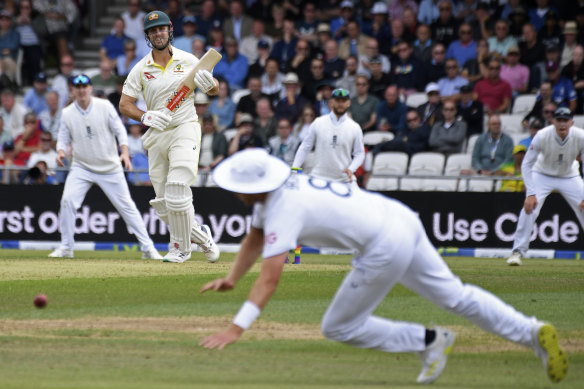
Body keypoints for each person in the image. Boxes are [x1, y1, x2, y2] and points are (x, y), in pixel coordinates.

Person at [199, 147, 568, 386]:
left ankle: (430, 341)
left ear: (252, 187)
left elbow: (270, 279)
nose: (235, 194)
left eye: (236, 188)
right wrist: (232, 278)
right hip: (400, 218)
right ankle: (532, 332)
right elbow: (254, 237)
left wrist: (236, 328)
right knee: (457, 296)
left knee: (338, 326)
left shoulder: (282, 208)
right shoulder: (279, 191)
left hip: (382, 245)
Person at [119, 10, 220, 263]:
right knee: (164, 204)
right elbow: (124, 104)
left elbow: (214, 87)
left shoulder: (188, 60)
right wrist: (145, 117)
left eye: (161, 29)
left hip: (184, 127)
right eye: (153, 31)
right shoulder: (141, 68)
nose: (158, 34)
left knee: (177, 187)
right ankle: (203, 236)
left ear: (170, 30)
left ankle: (180, 248)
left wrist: (211, 86)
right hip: (157, 134)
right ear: (148, 36)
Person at [48, 74, 161, 260]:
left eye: (85, 86)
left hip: (109, 166)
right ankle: (66, 247)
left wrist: (124, 153)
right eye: (78, 87)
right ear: (73, 91)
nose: (82, 90)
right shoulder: (67, 113)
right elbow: (62, 138)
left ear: (90, 89)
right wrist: (60, 151)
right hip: (81, 167)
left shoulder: (104, 106)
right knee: (67, 201)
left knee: (127, 207)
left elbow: (120, 132)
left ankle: (148, 248)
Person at [507, 107, 584, 266]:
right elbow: (527, 165)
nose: (562, 124)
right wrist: (531, 193)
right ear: (553, 121)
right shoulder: (542, 136)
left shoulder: (581, 136)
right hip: (542, 174)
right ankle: (517, 252)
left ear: (572, 122)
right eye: (559, 120)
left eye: (565, 120)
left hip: (569, 175)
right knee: (530, 208)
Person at [292, 88, 364, 184]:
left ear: (348, 103)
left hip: (344, 179)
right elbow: (305, 147)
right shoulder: (318, 122)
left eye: (343, 101)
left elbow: (359, 153)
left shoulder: (355, 127)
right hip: (318, 178)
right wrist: (294, 168)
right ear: (331, 103)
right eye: (337, 101)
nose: (340, 104)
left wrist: (351, 169)